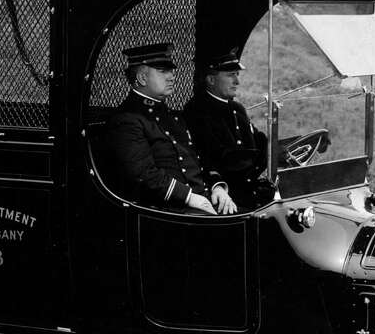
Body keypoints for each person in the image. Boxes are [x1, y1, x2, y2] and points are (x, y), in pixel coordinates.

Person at [103, 43, 236, 215]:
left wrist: (217, 187)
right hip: (164, 212)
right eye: (163, 71)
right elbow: (144, 175)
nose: (172, 77)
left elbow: (197, 159)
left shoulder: (173, 117)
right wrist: (190, 197)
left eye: (171, 71)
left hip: (198, 202)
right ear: (142, 78)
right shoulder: (126, 121)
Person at [183, 47, 273, 208]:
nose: (237, 82)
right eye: (231, 75)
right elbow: (211, 159)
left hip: (250, 189)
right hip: (223, 196)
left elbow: (259, 143)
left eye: (237, 75)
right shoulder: (197, 111)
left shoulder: (237, 109)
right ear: (211, 80)